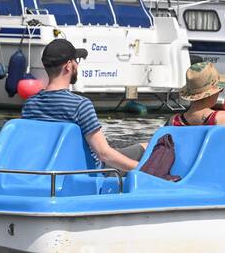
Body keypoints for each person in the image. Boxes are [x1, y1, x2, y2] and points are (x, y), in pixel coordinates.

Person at [21, 39, 146, 172]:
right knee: (149, 148)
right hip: (88, 171)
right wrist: (144, 170)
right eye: (76, 61)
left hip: (50, 170)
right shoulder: (80, 105)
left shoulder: (30, 105)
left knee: (138, 148)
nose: (77, 65)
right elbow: (103, 154)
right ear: (69, 66)